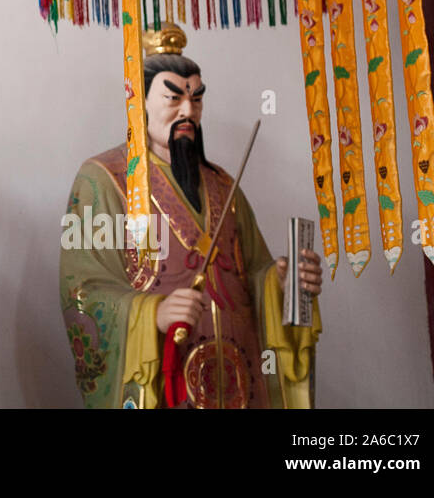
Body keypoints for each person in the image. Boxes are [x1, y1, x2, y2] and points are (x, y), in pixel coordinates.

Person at [60, 21, 322, 408]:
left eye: (197, 99)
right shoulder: (104, 180)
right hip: (168, 378)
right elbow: (81, 290)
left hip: (238, 376)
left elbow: (254, 272)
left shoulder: (222, 186)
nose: (188, 111)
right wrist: (151, 314)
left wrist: (283, 283)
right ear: (139, 101)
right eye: (173, 98)